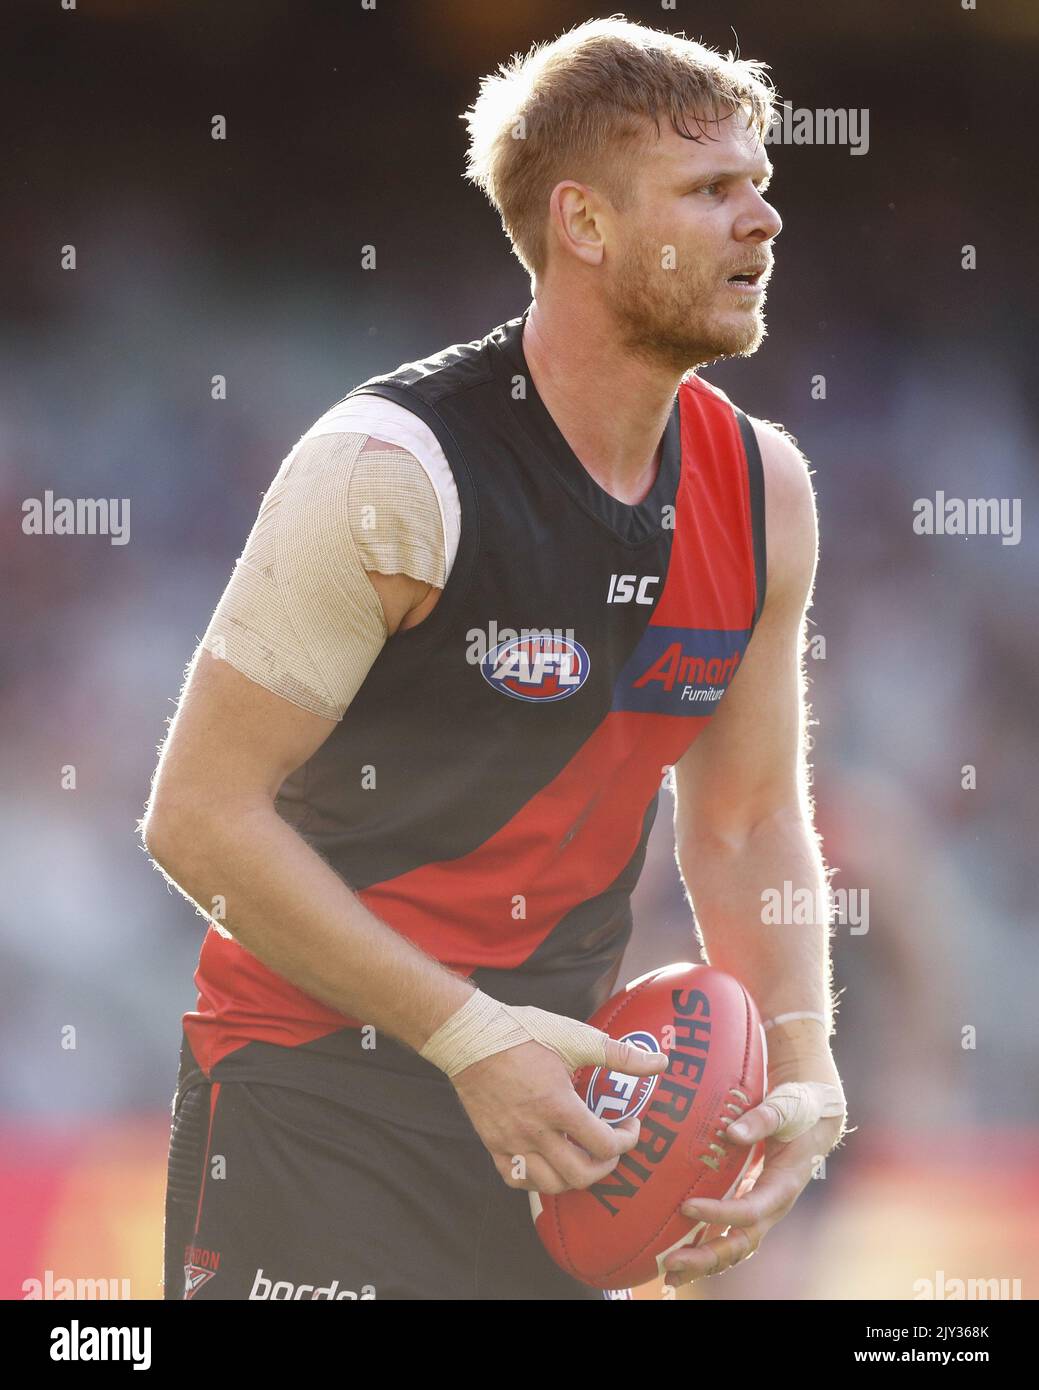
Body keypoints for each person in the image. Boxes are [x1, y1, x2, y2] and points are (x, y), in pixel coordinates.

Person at [142, 16, 846, 1302]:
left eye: (762, 185)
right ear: (582, 224)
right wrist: (468, 1038)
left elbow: (743, 821)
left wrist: (802, 1065)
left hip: (566, 1106)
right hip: (318, 1084)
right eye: (710, 190)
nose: (762, 220)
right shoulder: (391, 472)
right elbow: (196, 816)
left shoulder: (765, 489)